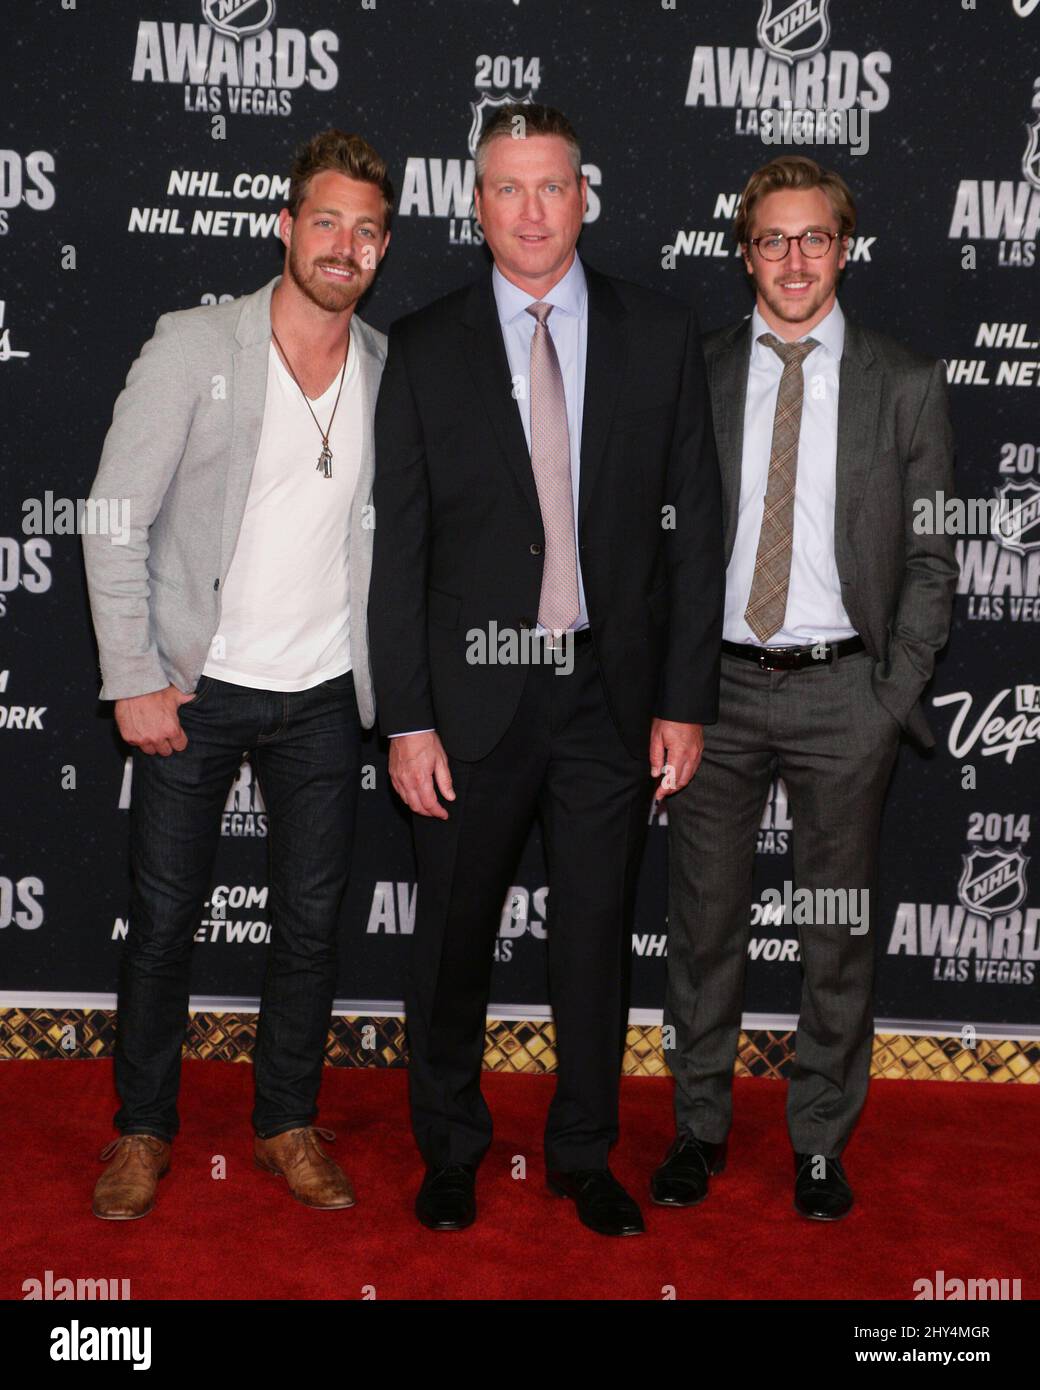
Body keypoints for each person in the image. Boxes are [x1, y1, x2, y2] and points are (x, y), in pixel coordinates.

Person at [369, 104, 723, 1237]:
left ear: (584, 197)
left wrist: (683, 699)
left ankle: (581, 1153)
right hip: (469, 698)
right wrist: (405, 719)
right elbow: (398, 551)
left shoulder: (657, 332)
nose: (532, 212)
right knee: (450, 942)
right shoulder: (423, 344)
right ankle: (450, 1149)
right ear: (476, 206)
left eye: (552, 186)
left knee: (594, 942)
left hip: (608, 696)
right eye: (508, 189)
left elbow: (694, 537)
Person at [82, 130, 392, 1219]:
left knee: (310, 924)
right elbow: (112, 517)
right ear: (285, 227)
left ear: (383, 247)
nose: (343, 245)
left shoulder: (386, 366)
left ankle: (285, 1122)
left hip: (323, 695)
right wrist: (132, 674)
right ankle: (142, 1129)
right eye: (326, 221)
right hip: (193, 687)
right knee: (164, 920)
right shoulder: (196, 344)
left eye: (365, 229)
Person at [653, 156, 957, 1221]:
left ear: (843, 248)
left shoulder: (903, 382)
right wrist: (668, 687)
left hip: (844, 698)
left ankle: (820, 1138)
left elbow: (932, 557)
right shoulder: (695, 373)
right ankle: (697, 1127)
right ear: (744, 254)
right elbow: (659, 543)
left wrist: (890, 693)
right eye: (772, 239)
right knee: (702, 926)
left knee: (834, 931)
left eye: (813, 238)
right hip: (714, 695)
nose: (793, 259)